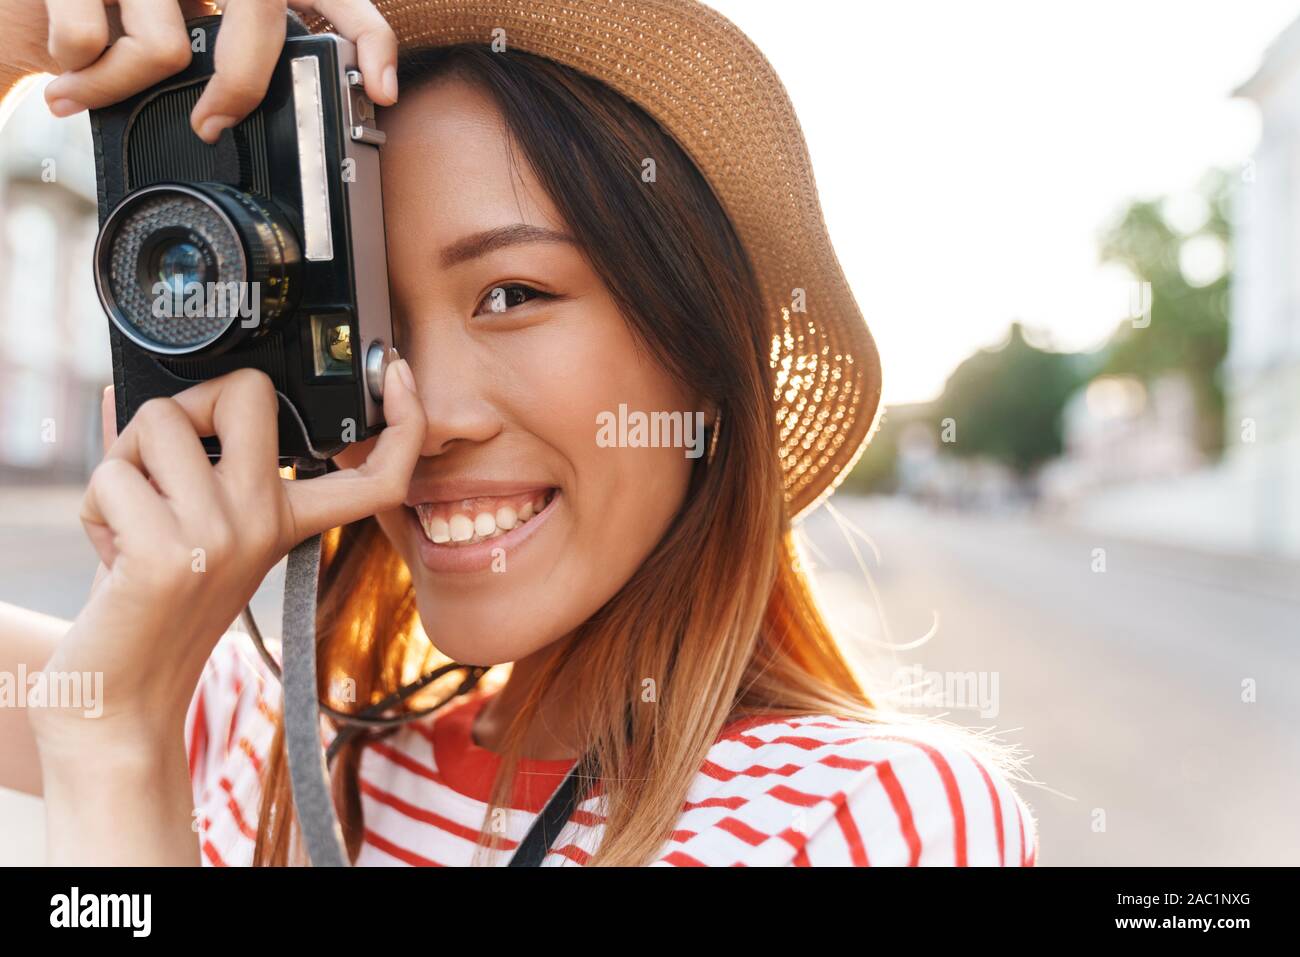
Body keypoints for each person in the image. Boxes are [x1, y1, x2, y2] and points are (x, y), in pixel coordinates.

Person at [0, 0, 1039, 866]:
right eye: (372, 326)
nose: (432, 413)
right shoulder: (251, 730)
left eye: (511, 293)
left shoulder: (852, 819)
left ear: (702, 349)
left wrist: (112, 759)